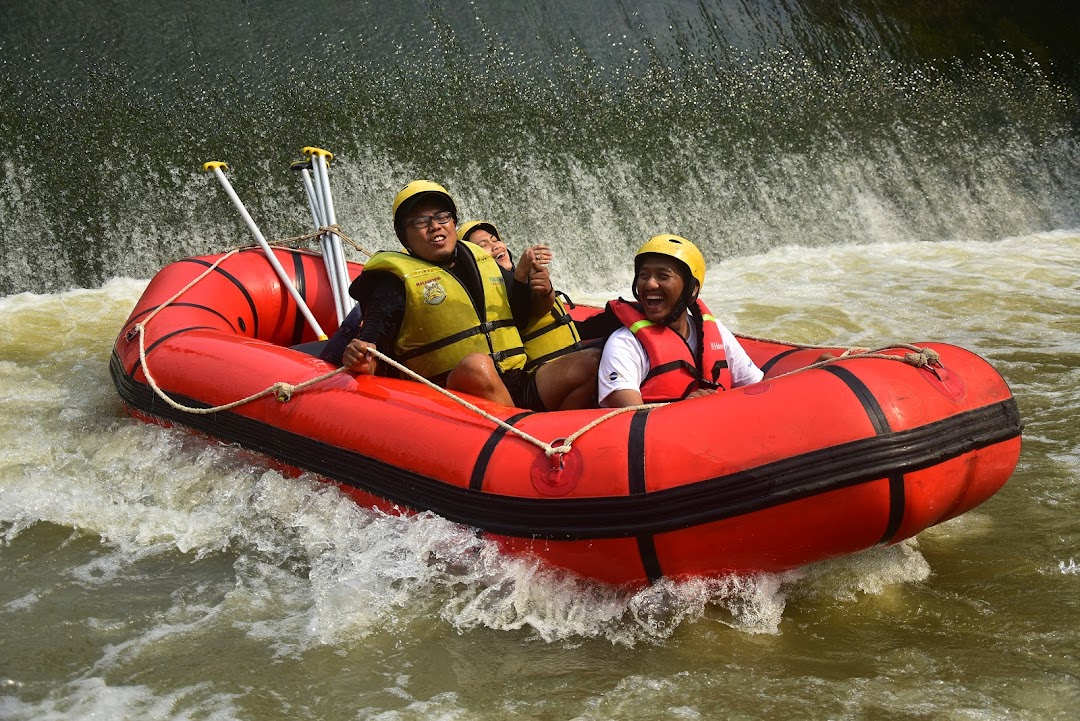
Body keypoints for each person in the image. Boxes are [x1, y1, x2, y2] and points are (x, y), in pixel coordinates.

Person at [327, 180, 598, 411]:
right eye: (421, 221)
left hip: (515, 382)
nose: (434, 226)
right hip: (453, 397)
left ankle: (556, 446)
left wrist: (541, 291)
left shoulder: (481, 261)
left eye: (442, 217)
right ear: (404, 238)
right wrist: (361, 358)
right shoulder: (392, 284)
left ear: (453, 223)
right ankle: (524, 444)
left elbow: (521, 316)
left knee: (591, 363)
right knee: (476, 366)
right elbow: (374, 354)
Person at [596, 234, 763, 407]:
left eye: (663, 276)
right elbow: (628, 418)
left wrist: (714, 404)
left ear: (692, 289)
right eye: (644, 275)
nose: (650, 284)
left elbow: (759, 393)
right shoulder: (625, 343)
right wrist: (688, 408)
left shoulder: (717, 332)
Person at [457, 220, 589, 372]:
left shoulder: (519, 279)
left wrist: (545, 289)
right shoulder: (483, 297)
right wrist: (521, 275)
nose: (495, 246)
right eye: (483, 245)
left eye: (495, 240)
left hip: (569, 352)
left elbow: (543, 312)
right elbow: (520, 317)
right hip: (541, 372)